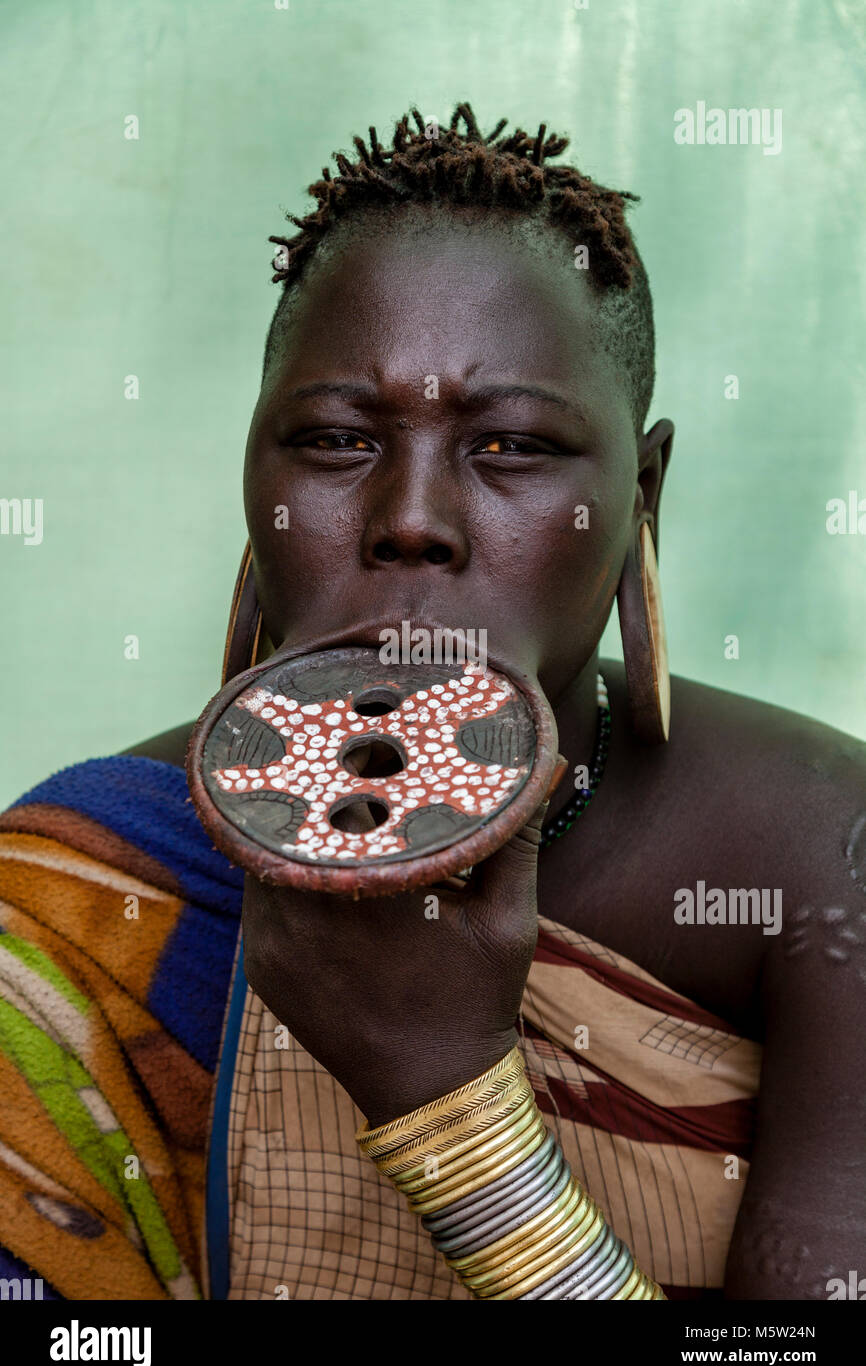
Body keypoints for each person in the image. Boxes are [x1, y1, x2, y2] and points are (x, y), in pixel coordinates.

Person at [1, 103, 864, 1302]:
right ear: (256, 483)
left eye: (509, 446)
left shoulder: (822, 853)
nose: (410, 517)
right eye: (337, 440)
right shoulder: (83, 897)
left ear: (639, 493)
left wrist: (447, 1102)